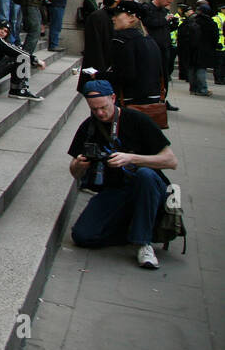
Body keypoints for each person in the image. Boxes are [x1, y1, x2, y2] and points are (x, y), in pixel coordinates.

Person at [68, 80, 176, 270]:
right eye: (94, 109)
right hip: (115, 190)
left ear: (113, 98)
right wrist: (78, 165)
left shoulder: (137, 119)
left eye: (103, 107)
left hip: (148, 188)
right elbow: (74, 173)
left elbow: (170, 161)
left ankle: (144, 243)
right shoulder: (89, 127)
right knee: (82, 236)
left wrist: (132, 158)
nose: (100, 113)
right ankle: (133, 229)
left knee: (145, 175)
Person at [77, 0, 133, 93]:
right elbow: (94, 51)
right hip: (102, 80)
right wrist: (100, 77)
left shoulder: (125, 17)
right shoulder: (98, 17)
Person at [109, 1, 166, 106]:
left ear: (132, 17)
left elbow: (125, 75)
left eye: (117, 14)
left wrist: (100, 75)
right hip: (153, 98)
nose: (113, 18)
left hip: (131, 100)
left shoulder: (122, 39)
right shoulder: (149, 40)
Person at [140, 0, 179, 111]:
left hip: (164, 47)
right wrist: (165, 20)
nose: (169, 5)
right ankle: (152, 99)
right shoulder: (147, 8)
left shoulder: (164, 11)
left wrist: (172, 24)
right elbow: (148, 23)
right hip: (152, 47)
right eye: (167, 2)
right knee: (152, 74)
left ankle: (162, 99)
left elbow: (164, 28)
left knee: (164, 75)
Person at [177, 0, 220, 96]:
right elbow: (215, 37)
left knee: (192, 68)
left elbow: (182, 33)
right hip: (204, 49)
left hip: (191, 48)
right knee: (201, 69)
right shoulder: (210, 23)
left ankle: (193, 88)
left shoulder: (191, 20)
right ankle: (202, 89)